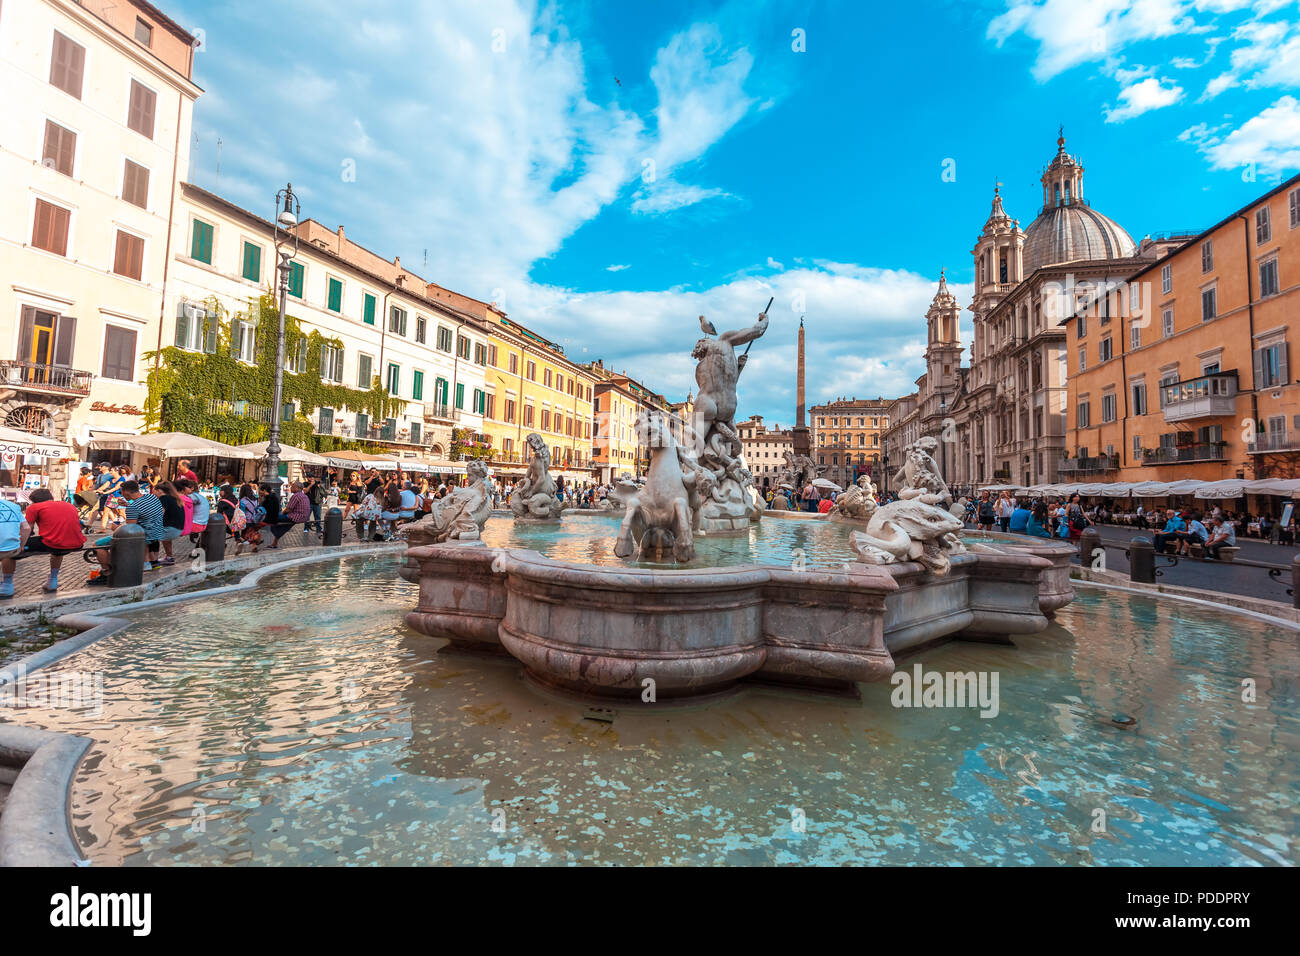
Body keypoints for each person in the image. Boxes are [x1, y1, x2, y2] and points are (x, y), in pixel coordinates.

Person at [88, 480, 162, 584]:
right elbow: (142, 510)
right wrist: (128, 504)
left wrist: (115, 528)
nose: (121, 494)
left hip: (142, 537)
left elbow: (129, 530)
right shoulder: (152, 497)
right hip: (156, 534)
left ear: (126, 492)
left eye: (121, 492)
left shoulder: (133, 507)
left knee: (97, 545)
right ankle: (112, 568)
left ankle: (108, 573)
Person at [19, 488, 86, 592]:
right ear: (51, 497)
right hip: (78, 543)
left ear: (34, 501)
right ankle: (53, 580)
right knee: (57, 550)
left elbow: (28, 529)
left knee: (10, 551)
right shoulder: (68, 505)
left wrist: (21, 544)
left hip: (53, 543)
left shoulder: (34, 507)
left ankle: (7, 584)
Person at [0, 497, 32, 598]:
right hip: (11, 549)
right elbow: (26, 528)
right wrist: (21, 545)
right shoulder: (13, 506)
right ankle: (7, 585)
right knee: (8, 550)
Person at [270, 481, 311, 549]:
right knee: (284, 526)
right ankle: (274, 543)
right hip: (303, 517)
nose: (291, 488)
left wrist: (281, 514)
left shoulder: (296, 496)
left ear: (297, 488)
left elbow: (288, 509)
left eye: (293, 487)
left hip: (296, 517)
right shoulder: (304, 496)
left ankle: (275, 535)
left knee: (272, 518)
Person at [155, 480, 187, 565]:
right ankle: (169, 557)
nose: (154, 492)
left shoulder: (164, 498)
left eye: (155, 490)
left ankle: (151, 560)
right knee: (165, 539)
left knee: (149, 536)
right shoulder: (174, 498)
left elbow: (159, 513)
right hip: (178, 528)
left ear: (160, 491)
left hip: (171, 528)